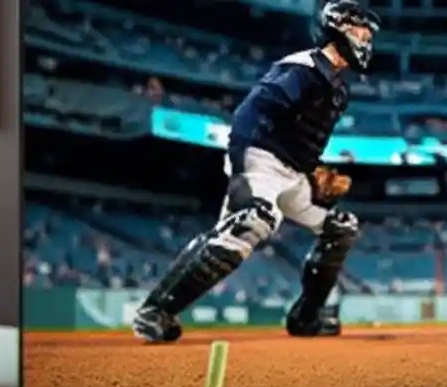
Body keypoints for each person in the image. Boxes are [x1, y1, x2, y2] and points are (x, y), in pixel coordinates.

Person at [133, 0, 379, 342]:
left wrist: (311, 172)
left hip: (294, 174)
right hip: (259, 160)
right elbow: (249, 117)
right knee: (253, 220)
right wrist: (241, 166)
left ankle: (307, 317)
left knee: (342, 228)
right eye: (360, 32)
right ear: (337, 30)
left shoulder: (339, 87)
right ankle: (155, 311)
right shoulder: (302, 68)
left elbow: (301, 137)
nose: (366, 40)